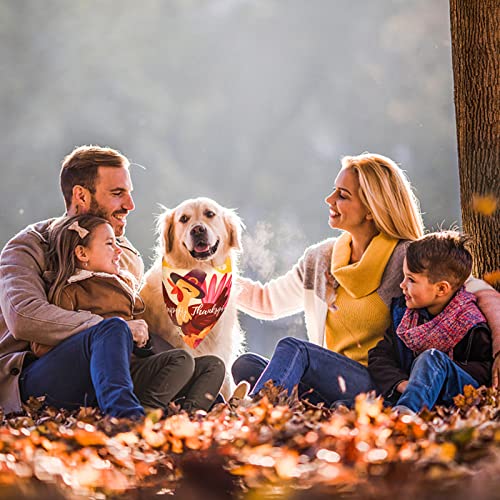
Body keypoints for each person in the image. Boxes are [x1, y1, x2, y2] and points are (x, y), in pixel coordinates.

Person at [232, 153, 500, 406]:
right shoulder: (321, 258)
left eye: (342, 195)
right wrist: (215, 280)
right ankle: (319, 408)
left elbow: (478, 293)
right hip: (329, 378)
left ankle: (254, 413)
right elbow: (265, 300)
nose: (329, 199)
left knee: (292, 349)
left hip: (381, 382)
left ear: (371, 209)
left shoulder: (405, 259)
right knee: (246, 365)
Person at [0, 145, 223, 418]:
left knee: (202, 365)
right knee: (113, 330)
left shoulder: (126, 257)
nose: (130, 205)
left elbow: (139, 327)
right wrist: (110, 328)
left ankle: (178, 421)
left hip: (112, 372)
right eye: (118, 194)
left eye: (129, 194)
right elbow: (24, 316)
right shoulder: (29, 245)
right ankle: (126, 420)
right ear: (80, 195)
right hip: (38, 377)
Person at [30, 214, 225, 413]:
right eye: (109, 244)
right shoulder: (71, 291)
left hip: (135, 367)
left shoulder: (124, 287)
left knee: (213, 365)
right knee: (181, 360)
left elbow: (139, 339)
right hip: (106, 375)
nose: (118, 251)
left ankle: (189, 416)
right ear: (82, 253)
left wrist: (143, 342)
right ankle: (149, 412)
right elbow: (43, 346)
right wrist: (103, 337)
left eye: (117, 243)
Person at [368, 231, 491, 414]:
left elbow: (486, 370)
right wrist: (403, 384)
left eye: (411, 280)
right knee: (343, 405)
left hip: (455, 394)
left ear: (441, 288)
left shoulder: (471, 323)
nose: (402, 285)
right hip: (411, 394)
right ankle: (404, 407)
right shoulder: (404, 316)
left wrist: (435, 375)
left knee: (431, 358)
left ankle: (405, 416)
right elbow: (379, 356)